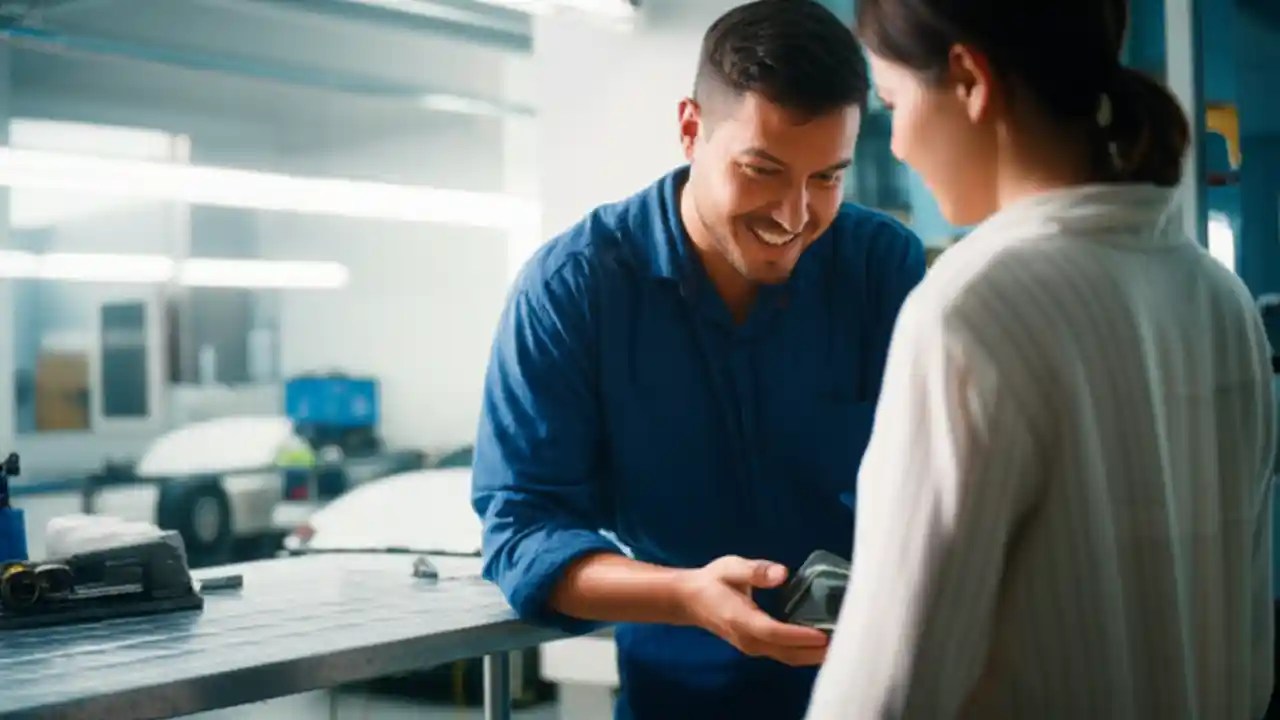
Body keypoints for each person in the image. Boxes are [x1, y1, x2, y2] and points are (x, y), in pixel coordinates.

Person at [805, 0, 1278, 718]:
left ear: (968, 80)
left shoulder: (970, 312)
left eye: (894, 100)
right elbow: (1247, 656)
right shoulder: (1219, 298)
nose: (895, 143)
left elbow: (886, 693)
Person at [471, 1, 926, 718]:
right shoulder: (573, 289)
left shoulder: (879, 266)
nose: (794, 216)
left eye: (828, 178)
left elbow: (932, 483)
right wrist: (684, 595)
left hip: (876, 692)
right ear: (691, 129)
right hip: (676, 697)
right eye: (762, 170)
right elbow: (524, 524)